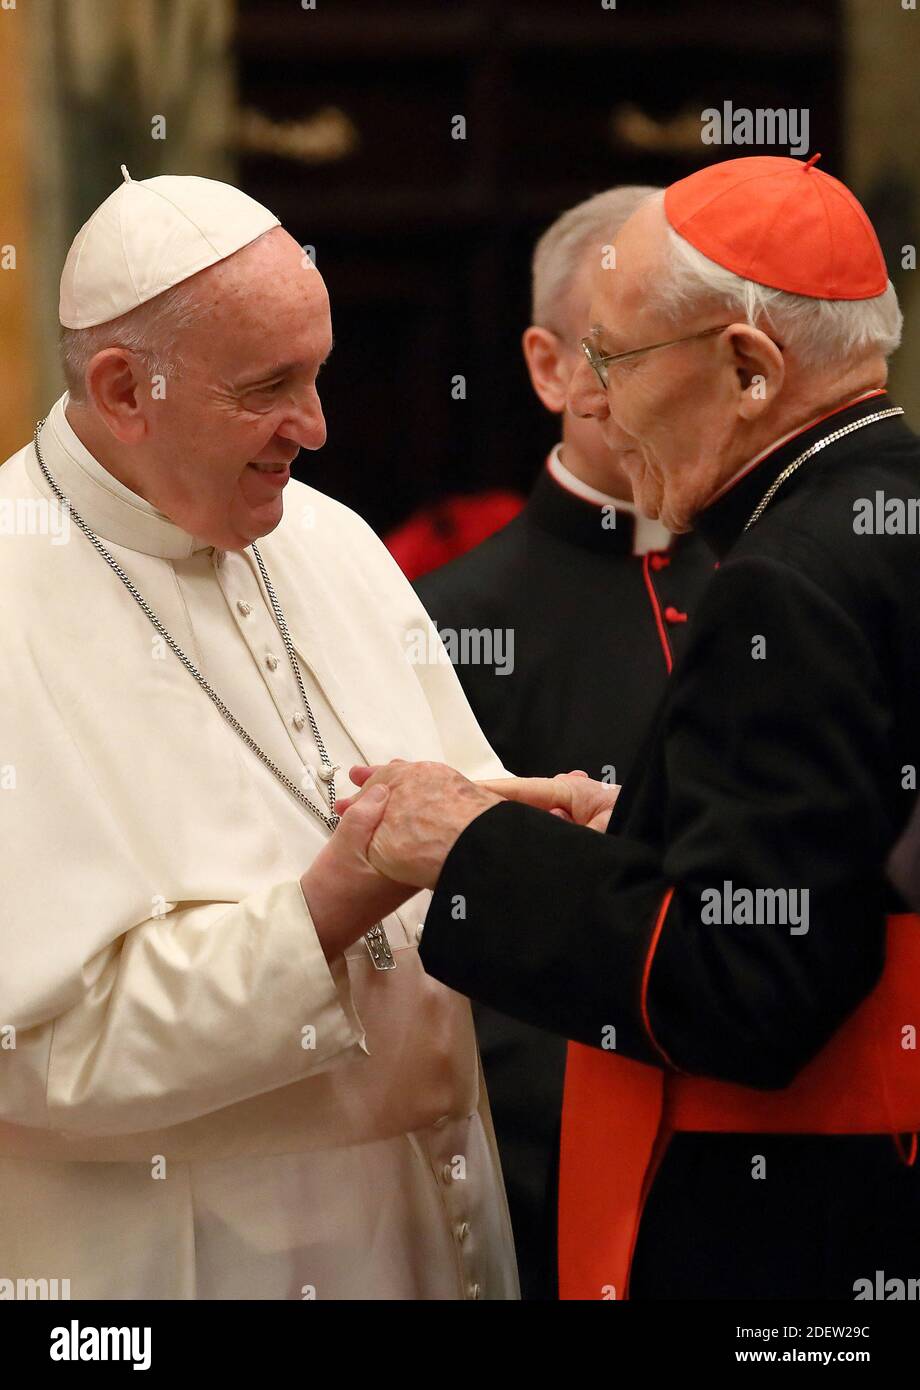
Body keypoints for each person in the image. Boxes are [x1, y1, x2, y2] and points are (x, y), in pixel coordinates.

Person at [340, 156, 920, 1300]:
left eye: (612, 358)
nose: (592, 395)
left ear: (746, 370)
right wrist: (647, 828)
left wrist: (465, 850)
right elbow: (850, 857)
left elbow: (743, 980)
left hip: (801, 1229)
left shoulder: (781, 584)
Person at [0, 168, 519, 1300]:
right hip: (173, 1261)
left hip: (429, 1214)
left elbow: (448, 811)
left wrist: (530, 832)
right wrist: (329, 903)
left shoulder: (328, 540)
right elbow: (29, 1056)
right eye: (268, 386)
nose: (319, 427)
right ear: (124, 388)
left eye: (318, 373)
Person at [416, 186, 713, 1299]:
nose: (659, 385)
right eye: (616, 351)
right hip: (553, 1167)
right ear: (546, 367)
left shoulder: (785, 585)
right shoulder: (440, 621)